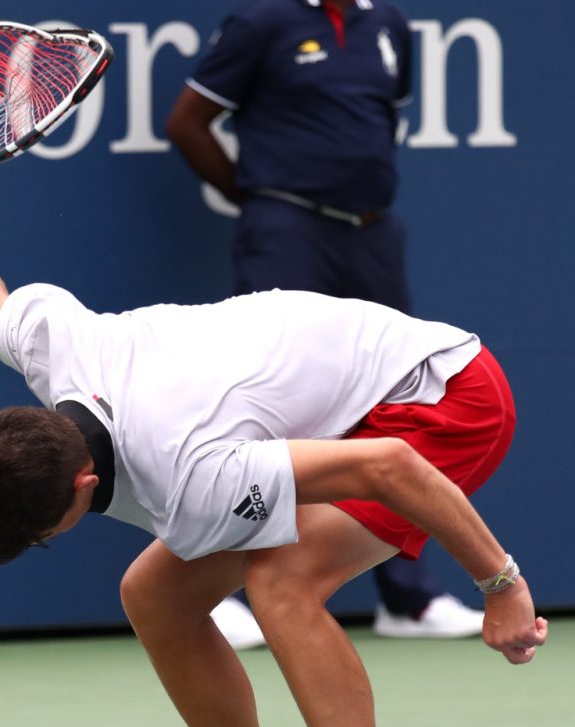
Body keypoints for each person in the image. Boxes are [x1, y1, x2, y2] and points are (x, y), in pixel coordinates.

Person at [0, 203, 547, 726]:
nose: (52, 539)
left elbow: (388, 465)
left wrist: (501, 584)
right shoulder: (54, 350)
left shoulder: (194, 477)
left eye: (48, 531)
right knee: (155, 594)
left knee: (281, 583)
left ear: (84, 485)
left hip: (445, 394)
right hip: (344, 383)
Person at [166, 0, 482, 642]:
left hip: (371, 235)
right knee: (267, 405)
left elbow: (376, 119)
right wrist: (260, 199)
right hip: (285, 230)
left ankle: (408, 599)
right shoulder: (261, 23)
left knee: (399, 403)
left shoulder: (388, 25)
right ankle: (236, 595)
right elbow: (188, 122)